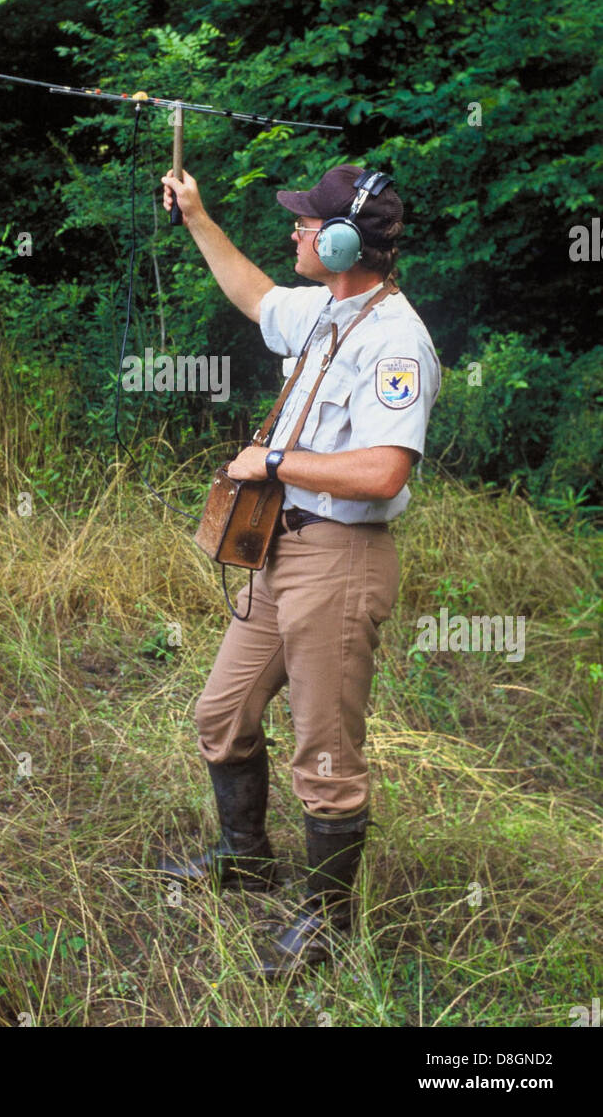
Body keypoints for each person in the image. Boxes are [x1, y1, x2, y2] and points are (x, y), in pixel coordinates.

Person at [157, 161, 441, 980]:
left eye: (306, 223)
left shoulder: (396, 340)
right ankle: (244, 860)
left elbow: (384, 472)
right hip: (278, 551)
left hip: (340, 562)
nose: (293, 231)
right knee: (221, 713)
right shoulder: (324, 308)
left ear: (344, 241)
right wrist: (197, 216)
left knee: (323, 754)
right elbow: (252, 294)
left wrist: (275, 461)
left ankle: (325, 924)